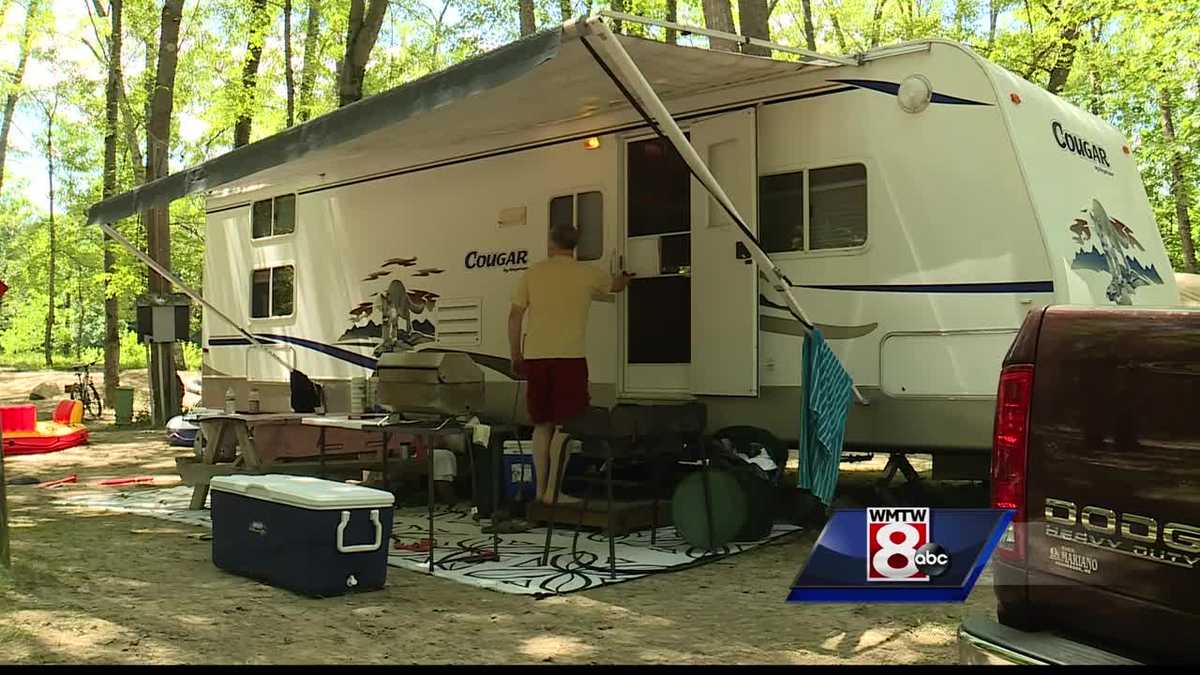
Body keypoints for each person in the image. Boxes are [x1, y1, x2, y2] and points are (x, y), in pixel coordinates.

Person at [509, 223, 633, 505]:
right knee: (564, 426)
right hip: (569, 358)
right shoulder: (586, 273)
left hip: (536, 358)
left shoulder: (533, 273)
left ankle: (540, 492)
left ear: (550, 243)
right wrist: (625, 277)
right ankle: (554, 493)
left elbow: (514, 316)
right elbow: (615, 286)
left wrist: (516, 354)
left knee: (541, 424)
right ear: (575, 245)